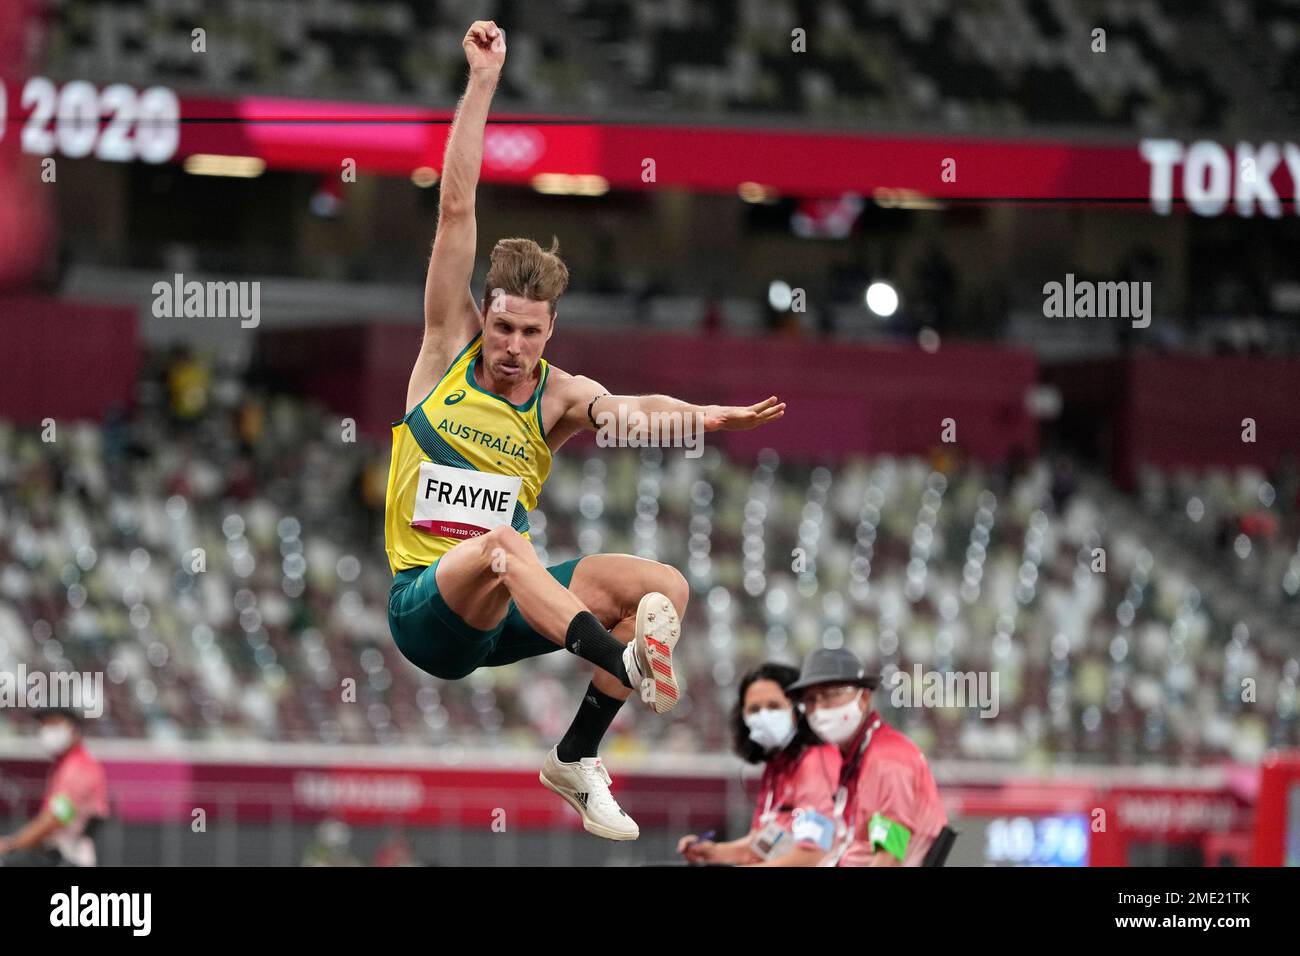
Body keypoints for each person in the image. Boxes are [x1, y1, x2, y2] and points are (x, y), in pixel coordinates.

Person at [385, 20, 786, 842]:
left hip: (508, 619)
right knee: (504, 542)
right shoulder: (444, 350)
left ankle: (575, 757)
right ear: (485, 314)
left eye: (531, 334)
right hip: (428, 607)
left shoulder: (561, 397)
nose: (513, 348)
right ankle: (624, 663)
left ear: (551, 330)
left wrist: (702, 415)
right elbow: (456, 204)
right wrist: (484, 81)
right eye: (503, 329)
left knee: (663, 589)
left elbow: (624, 410)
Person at [787, 649, 948, 867]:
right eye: (811, 701)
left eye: (829, 695)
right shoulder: (855, 757)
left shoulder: (889, 760)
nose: (818, 709)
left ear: (863, 698)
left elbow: (889, 857)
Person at [677, 663, 840, 866]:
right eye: (754, 709)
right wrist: (712, 852)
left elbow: (812, 856)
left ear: (799, 709)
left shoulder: (817, 763)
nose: (763, 716)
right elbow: (760, 846)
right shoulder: (776, 768)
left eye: (774, 706)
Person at [0, 709, 108, 866]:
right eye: (44, 725)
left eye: (54, 724)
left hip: (68, 858)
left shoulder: (77, 768)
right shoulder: (65, 765)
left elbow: (57, 817)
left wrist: (11, 844)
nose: (47, 730)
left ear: (74, 730)